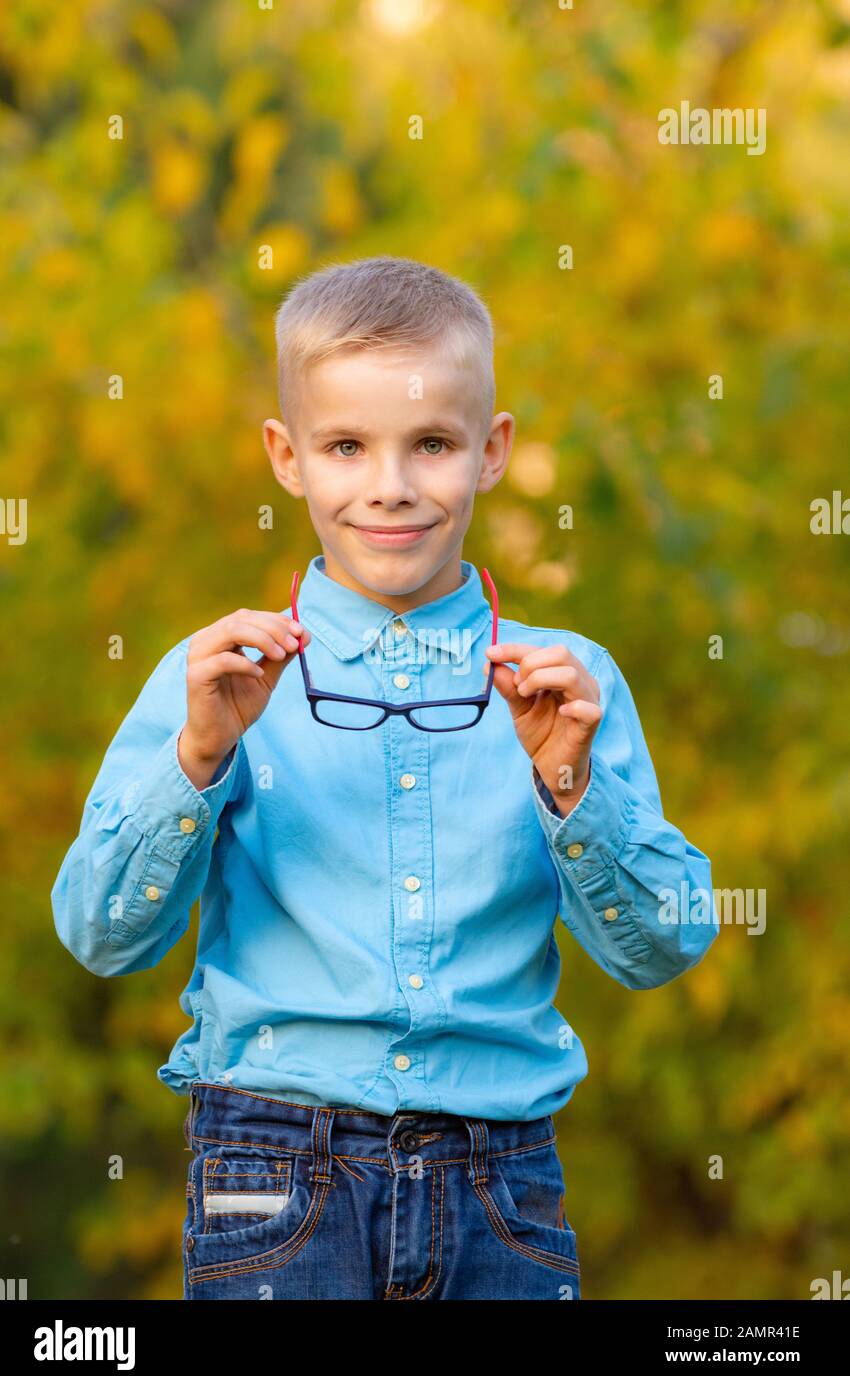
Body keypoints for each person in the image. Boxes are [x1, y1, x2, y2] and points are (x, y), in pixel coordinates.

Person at [51, 255, 718, 1300]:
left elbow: (662, 945)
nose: (390, 486)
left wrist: (568, 791)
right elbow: (100, 931)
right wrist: (197, 762)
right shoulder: (218, 681)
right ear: (287, 457)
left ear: (490, 452)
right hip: (271, 1175)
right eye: (346, 446)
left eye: (433, 445)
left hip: (501, 1182)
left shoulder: (565, 688)